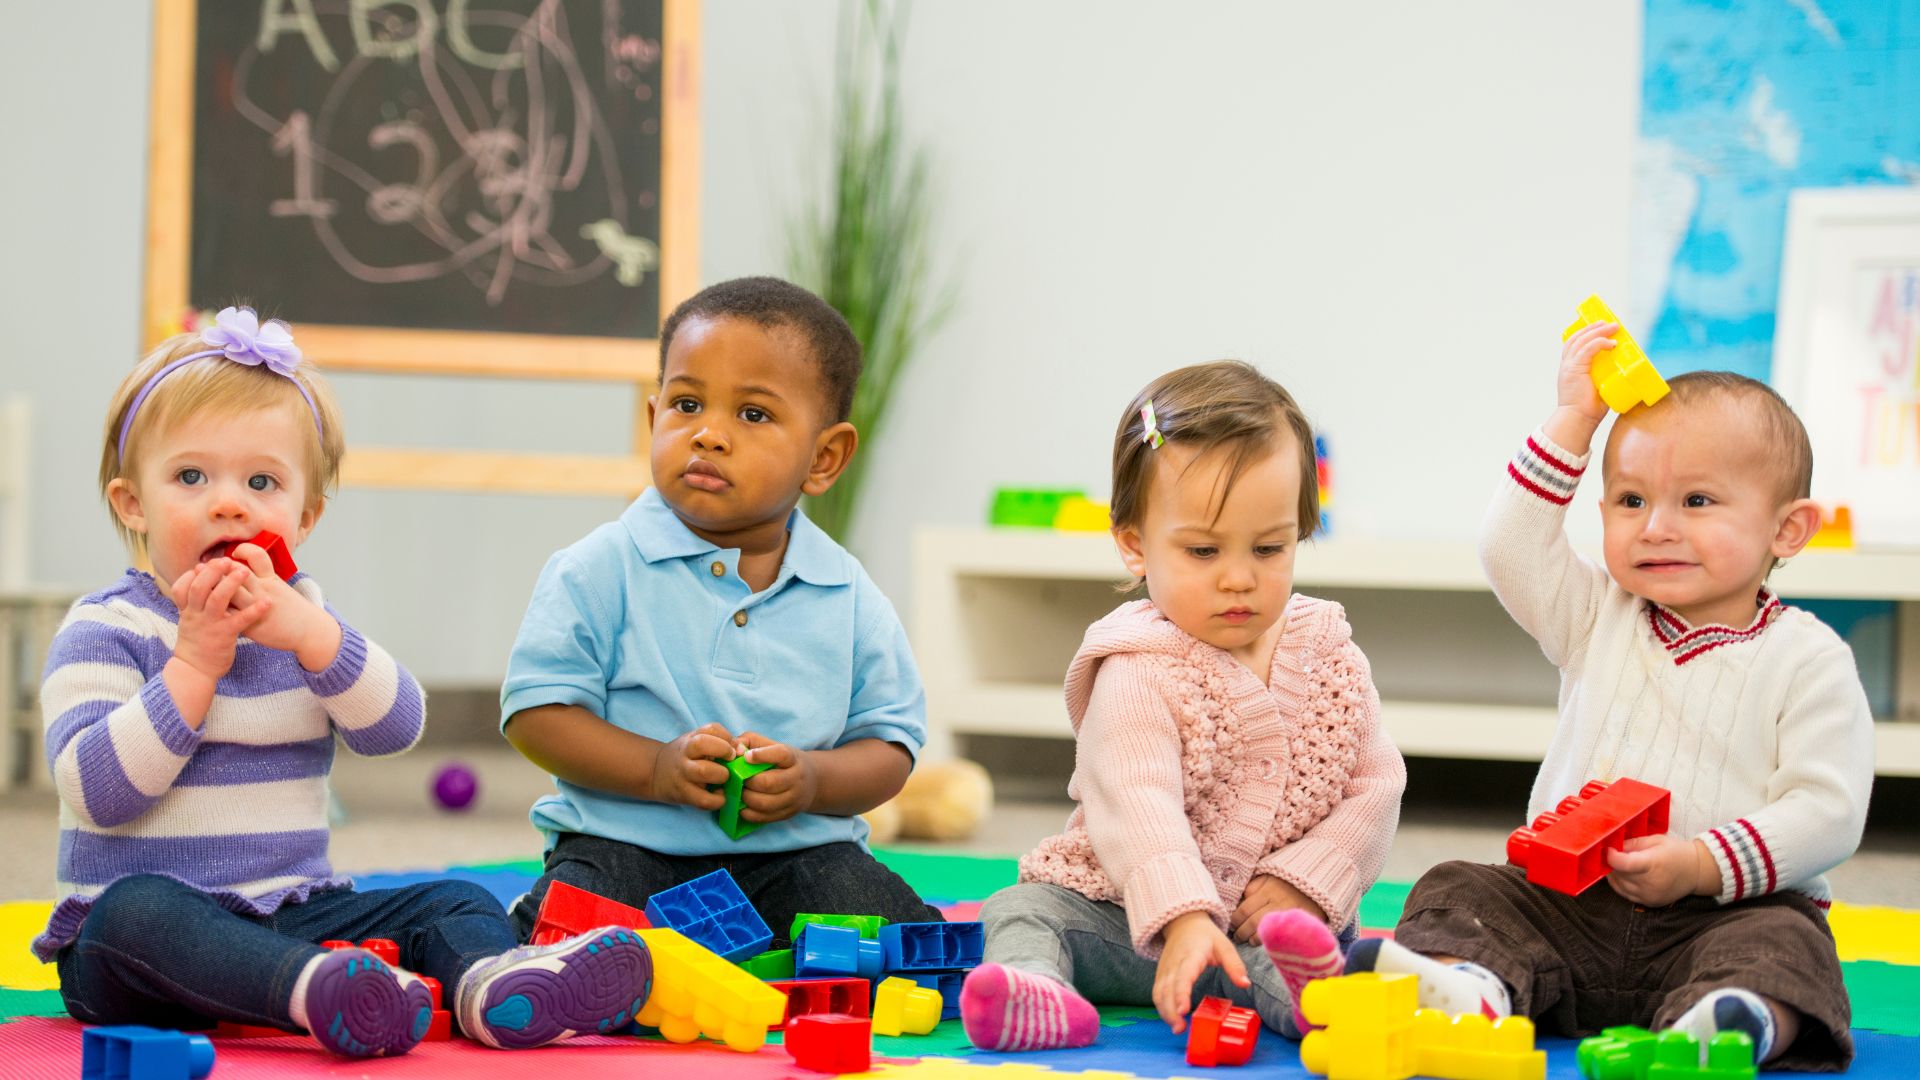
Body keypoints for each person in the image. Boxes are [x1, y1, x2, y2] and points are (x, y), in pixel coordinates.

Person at [39, 307, 651, 1057]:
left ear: (304, 517)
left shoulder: (304, 622)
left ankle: (490, 986)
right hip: (141, 943)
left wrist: (312, 636)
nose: (228, 502)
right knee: (134, 915)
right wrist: (194, 664)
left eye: (262, 481)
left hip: (292, 912)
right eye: (191, 476)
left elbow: (395, 728)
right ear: (133, 503)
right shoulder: (107, 628)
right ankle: (316, 990)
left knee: (456, 898)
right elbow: (99, 790)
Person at [1350, 321, 1873, 1070]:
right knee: (1459, 887)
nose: (1656, 527)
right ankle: (1473, 991)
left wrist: (1702, 863)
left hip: (1721, 916)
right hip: (1566, 912)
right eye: (1629, 500)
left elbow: (1829, 812)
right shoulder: (1599, 616)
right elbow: (1508, 549)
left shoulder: (1809, 658)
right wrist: (1574, 421)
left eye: (1696, 501)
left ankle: (1730, 1020)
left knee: (1788, 944)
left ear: (1788, 529)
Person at [962, 360, 1405, 1051]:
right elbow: (1139, 803)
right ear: (1135, 544)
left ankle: (1314, 999)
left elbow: (1376, 784)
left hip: (1266, 920)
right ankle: (1035, 989)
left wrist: (1307, 884)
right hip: (1125, 921)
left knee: (1302, 950)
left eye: (1269, 548)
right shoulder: (1138, 668)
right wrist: (1184, 916)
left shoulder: (1331, 652)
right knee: (1020, 908)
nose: (1239, 577)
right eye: (1202, 550)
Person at [501, 277, 943, 944]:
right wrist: (655, 769)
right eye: (686, 404)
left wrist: (815, 779)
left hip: (795, 855)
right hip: (629, 845)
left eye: (754, 415)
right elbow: (535, 715)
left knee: (900, 936)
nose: (709, 434)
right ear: (653, 421)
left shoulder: (848, 595)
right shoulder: (597, 568)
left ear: (823, 459)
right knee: (574, 926)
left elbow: (891, 743)